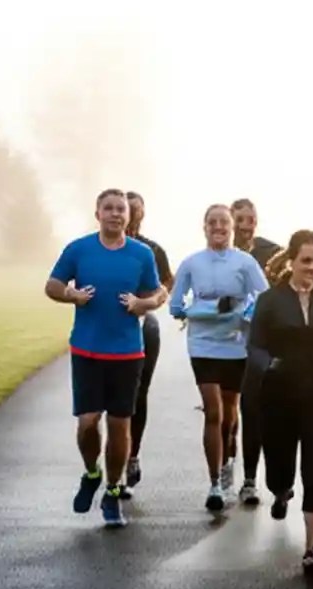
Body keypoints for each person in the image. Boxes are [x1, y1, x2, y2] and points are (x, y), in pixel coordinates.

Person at [44, 188, 164, 528]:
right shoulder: (79, 249)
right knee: (87, 423)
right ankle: (92, 473)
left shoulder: (141, 254)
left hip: (128, 352)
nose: (115, 214)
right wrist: (72, 294)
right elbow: (51, 285)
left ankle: (112, 493)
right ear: (97, 214)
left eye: (120, 209)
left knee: (119, 425)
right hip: (87, 349)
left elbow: (156, 294)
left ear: (129, 216)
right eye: (108, 208)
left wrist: (144, 305)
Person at [248, 230, 313, 575]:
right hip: (277, 391)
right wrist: (268, 366)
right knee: (279, 465)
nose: (312, 267)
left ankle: (310, 550)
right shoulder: (270, 299)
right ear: (291, 261)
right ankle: (280, 491)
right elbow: (255, 345)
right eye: (306, 261)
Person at [169, 204, 269, 512]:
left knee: (230, 412)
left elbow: (263, 298)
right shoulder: (191, 263)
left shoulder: (245, 262)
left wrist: (241, 311)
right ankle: (214, 484)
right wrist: (197, 310)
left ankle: (229, 462)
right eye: (212, 222)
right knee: (213, 411)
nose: (218, 227)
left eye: (223, 222)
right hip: (202, 343)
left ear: (231, 227)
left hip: (235, 343)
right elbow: (175, 305)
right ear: (204, 227)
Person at [231, 198, 284, 503]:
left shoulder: (272, 252)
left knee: (257, 411)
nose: (246, 223)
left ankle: (254, 480)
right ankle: (229, 469)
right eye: (240, 218)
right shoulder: (223, 253)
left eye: (251, 218)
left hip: (262, 343)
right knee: (229, 415)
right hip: (227, 341)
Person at [123, 191, 174, 497]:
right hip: (107, 324)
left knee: (138, 393)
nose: (134, 215)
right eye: (130, 210)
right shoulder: (101, 245)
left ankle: (132, 455)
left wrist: (152, 299)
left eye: (138, 210)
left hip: (143, 322)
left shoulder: (151, 249)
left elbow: (167, 281)